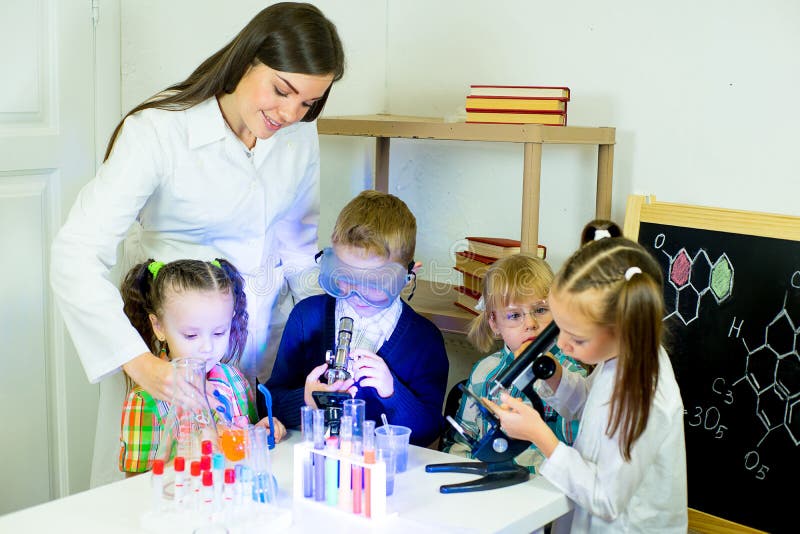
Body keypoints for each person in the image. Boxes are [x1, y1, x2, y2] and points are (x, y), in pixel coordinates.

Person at [50, 2, 344, 486]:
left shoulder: (296, 136)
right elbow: (74, 253)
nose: (291, 113)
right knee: (158, 484)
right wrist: (141, 364)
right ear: (247, 59)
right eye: (282, 90)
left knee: (247, 481)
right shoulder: (159, 130)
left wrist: (338, 322)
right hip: (170, 348)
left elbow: (297, 246)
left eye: (309, 102)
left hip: (252, 342)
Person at [485, 237, 687, 533]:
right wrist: (554, 375)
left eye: (577, 338)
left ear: (622, 330)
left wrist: (540, 435)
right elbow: (589, 406)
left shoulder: (644, 395)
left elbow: (606, 498)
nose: (563, 344)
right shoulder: (620, 356)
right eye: (560, 328)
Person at [263, 190, 449, 447]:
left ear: (407, 275)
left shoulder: (424, 341)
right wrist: (306, 400)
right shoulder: (307, 318)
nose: (356, 292)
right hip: (316, 462)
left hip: (383, 473)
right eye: (345, 275)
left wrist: (391, 392)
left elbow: (428, 433)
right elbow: (270, 403)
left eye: (373, 282)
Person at [118, 258, 287, 474]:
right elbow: (135, 486)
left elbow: (240, 443)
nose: (207, 347)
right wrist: (187, 458)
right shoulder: (145, 401)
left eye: (219, 332)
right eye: (191, 335)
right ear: (159, 327)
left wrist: (257, 433)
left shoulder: (235, 380)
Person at [442, 254, 586, 472]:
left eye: (540, 310)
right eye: (514, 315)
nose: (530, 323)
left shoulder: (571, 377)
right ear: (494, 322)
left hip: (544, 491)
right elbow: (462, 441)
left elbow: (576, 452)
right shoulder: (484, 372)